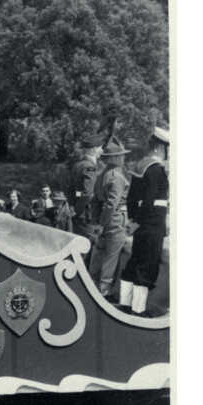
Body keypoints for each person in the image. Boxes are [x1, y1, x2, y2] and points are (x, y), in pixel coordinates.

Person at [119, 126, 171, 315]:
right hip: (153, 225)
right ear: (160, 147)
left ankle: (125, 305)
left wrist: (134, 221)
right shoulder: (157, 170)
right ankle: (138, 311)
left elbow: (132, 198)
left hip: (140, 225)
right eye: (168, 148)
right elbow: (150, 200)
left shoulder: (141, 166)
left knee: (134, 262)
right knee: (147, 267)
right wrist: (141, 221)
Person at [88, 136, 132, 299]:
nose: (124, 158)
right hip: (115, 221)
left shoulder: (102, 174)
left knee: (98, 257)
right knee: (111, 259)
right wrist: (103, 223)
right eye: (121, 155)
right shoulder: (117, 176)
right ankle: (104, 295)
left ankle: (90, 289)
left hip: (104, 221)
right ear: (114, 158)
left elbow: (95, 201)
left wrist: (96, 223)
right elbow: (111, 204)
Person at [68, 134, 104, 244]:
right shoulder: (90, 167)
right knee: (87, 247)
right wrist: (78, 210)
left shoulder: (77, 165)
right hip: (87, 214)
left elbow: (69, 189)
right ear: (94, 149)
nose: (102, 150)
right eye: (100, 147)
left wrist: (73, 207)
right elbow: (87, 193)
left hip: (79, 213)